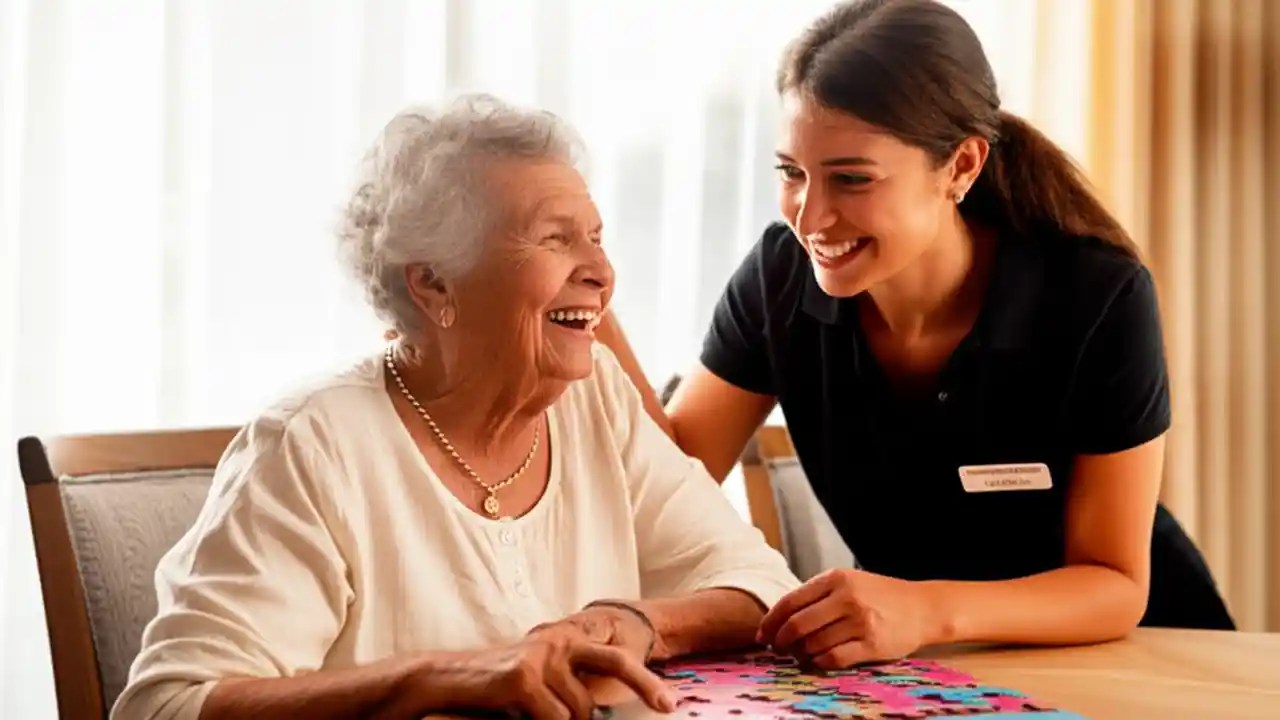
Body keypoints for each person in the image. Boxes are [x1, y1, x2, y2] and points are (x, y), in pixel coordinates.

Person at [112, 95, 799, 720]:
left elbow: (761, 583)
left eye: (596, 236)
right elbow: (166, 706)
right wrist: (439, 678)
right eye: (557, 239)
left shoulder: (595, 399)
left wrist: (637, 621)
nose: (600, 273)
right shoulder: (316, 443)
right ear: (435, 284)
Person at [598, 0, 1234, 671]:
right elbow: (677, 479)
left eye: (851, 179)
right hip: (931, 671)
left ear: (960, 167)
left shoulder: (1096, 296)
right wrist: (588, 301)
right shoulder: (778, 281)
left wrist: (923, 609)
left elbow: (1114, 583)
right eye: (791, 173)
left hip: (1146, 659)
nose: (809, 215)